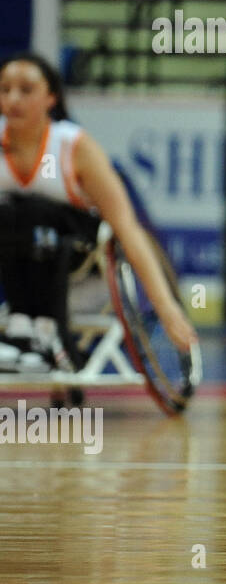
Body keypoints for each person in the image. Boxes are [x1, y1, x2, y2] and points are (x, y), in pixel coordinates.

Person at [0, 53, 197, 372]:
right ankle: (24, 327)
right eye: (4, 89)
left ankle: (43, 330)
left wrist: (166, 306)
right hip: (22, 260)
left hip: (83, 265)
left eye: (26, 89)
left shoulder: (74, 147)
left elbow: (126, 226)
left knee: (36, 210)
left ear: (51, 97)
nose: (13, 99)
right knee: (11, 211)